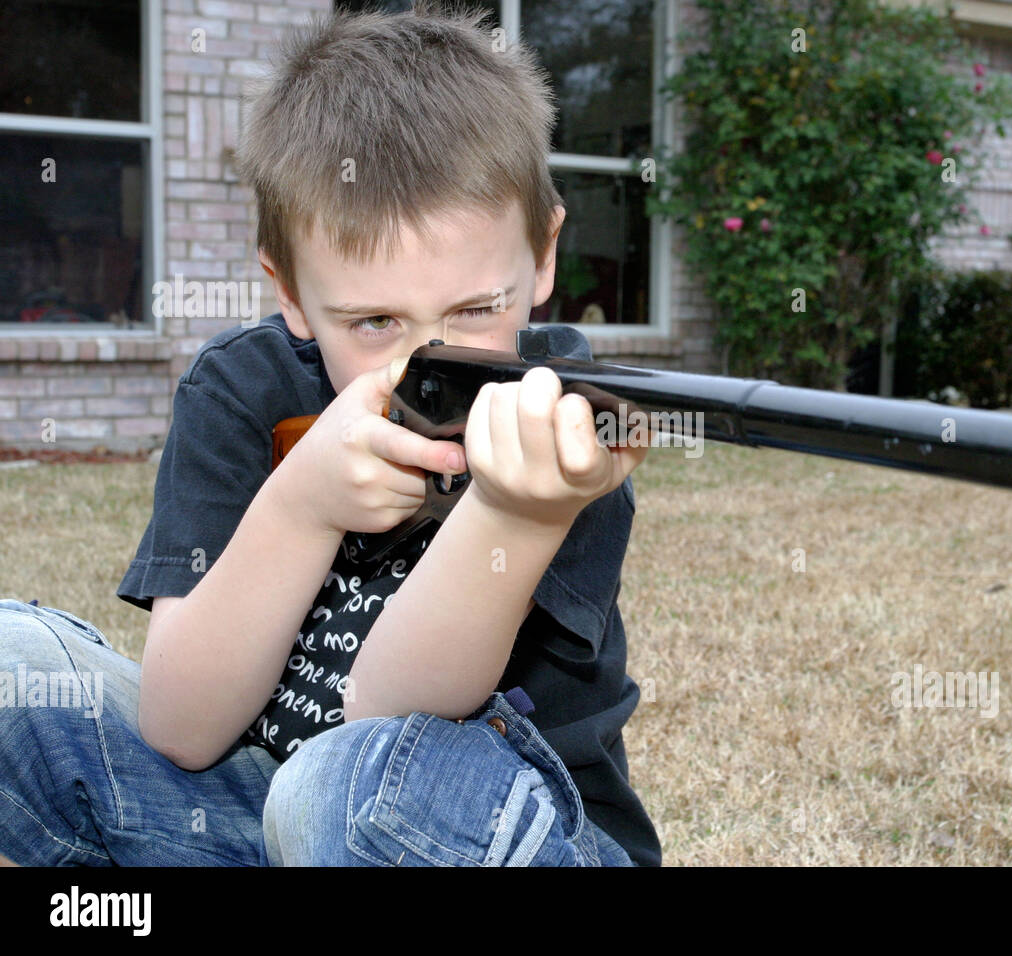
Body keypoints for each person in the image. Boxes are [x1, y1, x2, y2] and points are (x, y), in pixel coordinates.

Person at [0, 1, 660, 867]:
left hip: (483, 834)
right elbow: (182, 728)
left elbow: (387, 719)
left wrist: (517, 512)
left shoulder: (565, 419)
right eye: (375, 320)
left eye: (474, 310)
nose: (433, 359)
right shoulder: (242, 390)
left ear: (542, 255)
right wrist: (302, 504)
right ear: (289, 290)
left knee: (339, 787)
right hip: (249, 815)